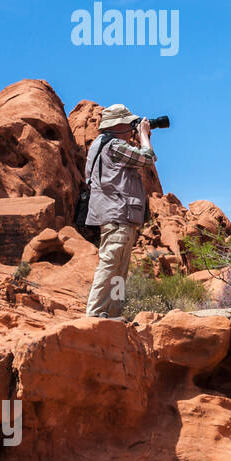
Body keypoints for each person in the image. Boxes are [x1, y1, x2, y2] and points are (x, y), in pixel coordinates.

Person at [84, 104, 157, 318]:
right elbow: (148, 158)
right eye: (129, 123)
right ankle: (95, 313)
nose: (132, 127)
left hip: (115, 214)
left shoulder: (100, 145)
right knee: (110, 263)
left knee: (120, 269)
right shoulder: (114, 145)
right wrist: (144, 135)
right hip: (117, 213)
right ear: (118, 125)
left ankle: (114, 312)